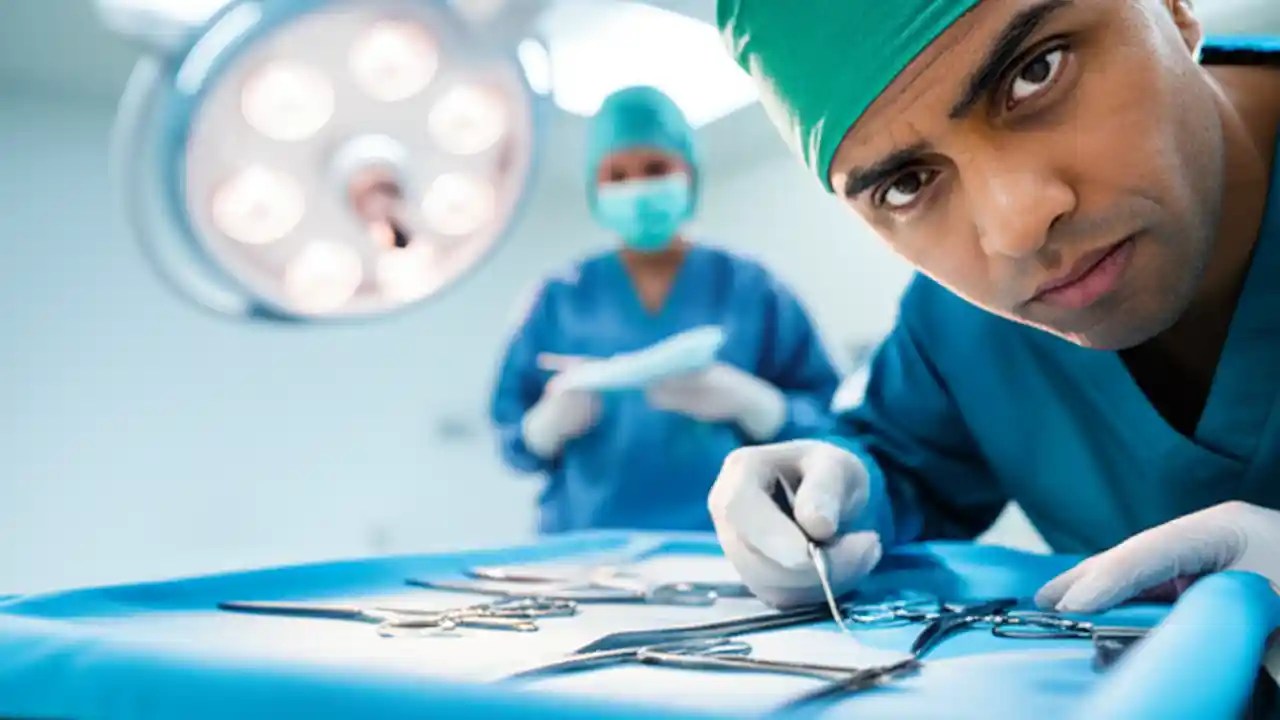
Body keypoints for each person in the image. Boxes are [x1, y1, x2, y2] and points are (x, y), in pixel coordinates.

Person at [708, 0, 1280, 611]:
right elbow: (898, 465)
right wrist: (819, 501)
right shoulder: (958, 326)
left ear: (1173, 7)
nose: (1017, 229)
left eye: (1037, 71)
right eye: (906, 185)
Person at [491, 86, 840, 533]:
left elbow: (830, 422)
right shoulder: (557, 298)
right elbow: (511, 439)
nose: (637, 189)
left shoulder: (752, 289)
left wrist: (762, 407)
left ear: (689, 175)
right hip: (586, 546)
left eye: (655, 169)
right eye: (617, 176)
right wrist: (544, 427)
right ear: (595, 189)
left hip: (731, 541)